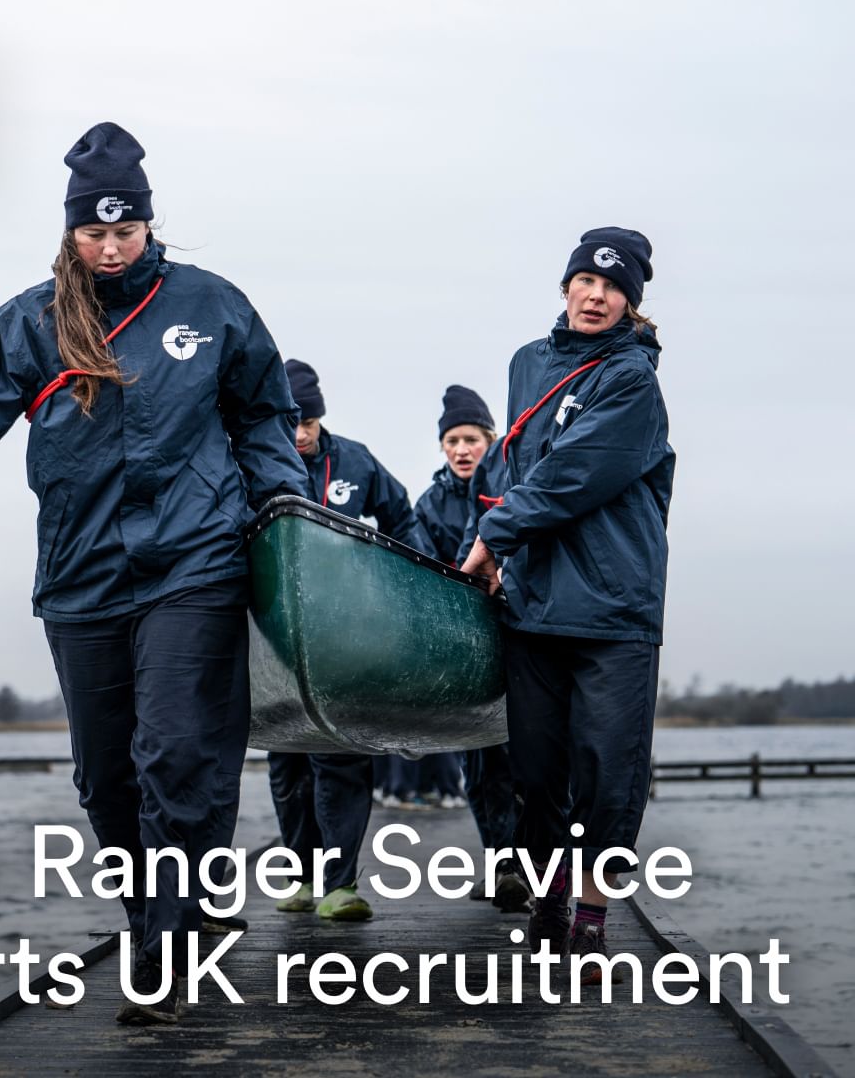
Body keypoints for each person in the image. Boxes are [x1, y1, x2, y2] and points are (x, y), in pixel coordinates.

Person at [0, 122, 307, 1024]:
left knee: (179, 751)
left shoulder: (211, 306)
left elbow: (262, 416)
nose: (108, 248)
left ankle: (167, 956)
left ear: (146, 225)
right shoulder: (35, 319)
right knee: (106, 777)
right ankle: (160, 920)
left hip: (193, 562)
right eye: (92, 235)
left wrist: (282, 512)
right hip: (82, 574)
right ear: (70, 234)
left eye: (123, 232)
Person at [460, 227, 674, 977]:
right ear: (566, 286)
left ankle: (590, 916)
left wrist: (492, 536)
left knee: (607, 771)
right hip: (533, 602)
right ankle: (549, 901)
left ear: (631, 304)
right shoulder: (528, 363)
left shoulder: (632, 380)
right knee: (537, 770)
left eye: (614, 288)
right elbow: (510, 467)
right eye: (586, 279)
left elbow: (575, 474)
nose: (596, 294)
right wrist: (486, 546)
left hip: (613, 607)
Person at [268, 359, 423, 921]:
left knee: (341, 756)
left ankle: (341, 885)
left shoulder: (355, 460)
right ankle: (301, 876)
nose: (301, 433)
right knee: (288, 769)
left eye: (309, 421)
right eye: (291, 422)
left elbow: (402, 519)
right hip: (275, 646)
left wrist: (407, 586)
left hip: (344, 635)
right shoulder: (255, 457)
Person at [414, 387, 530, 910]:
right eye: (452, 441)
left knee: (526, 758)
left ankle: (533, 864)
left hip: (519, 635)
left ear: (490, 440)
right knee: (478, 763)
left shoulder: (515, 483)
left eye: (471, 439)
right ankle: (502, 862)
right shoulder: (430, 504)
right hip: (462, 646)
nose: (462, 450)